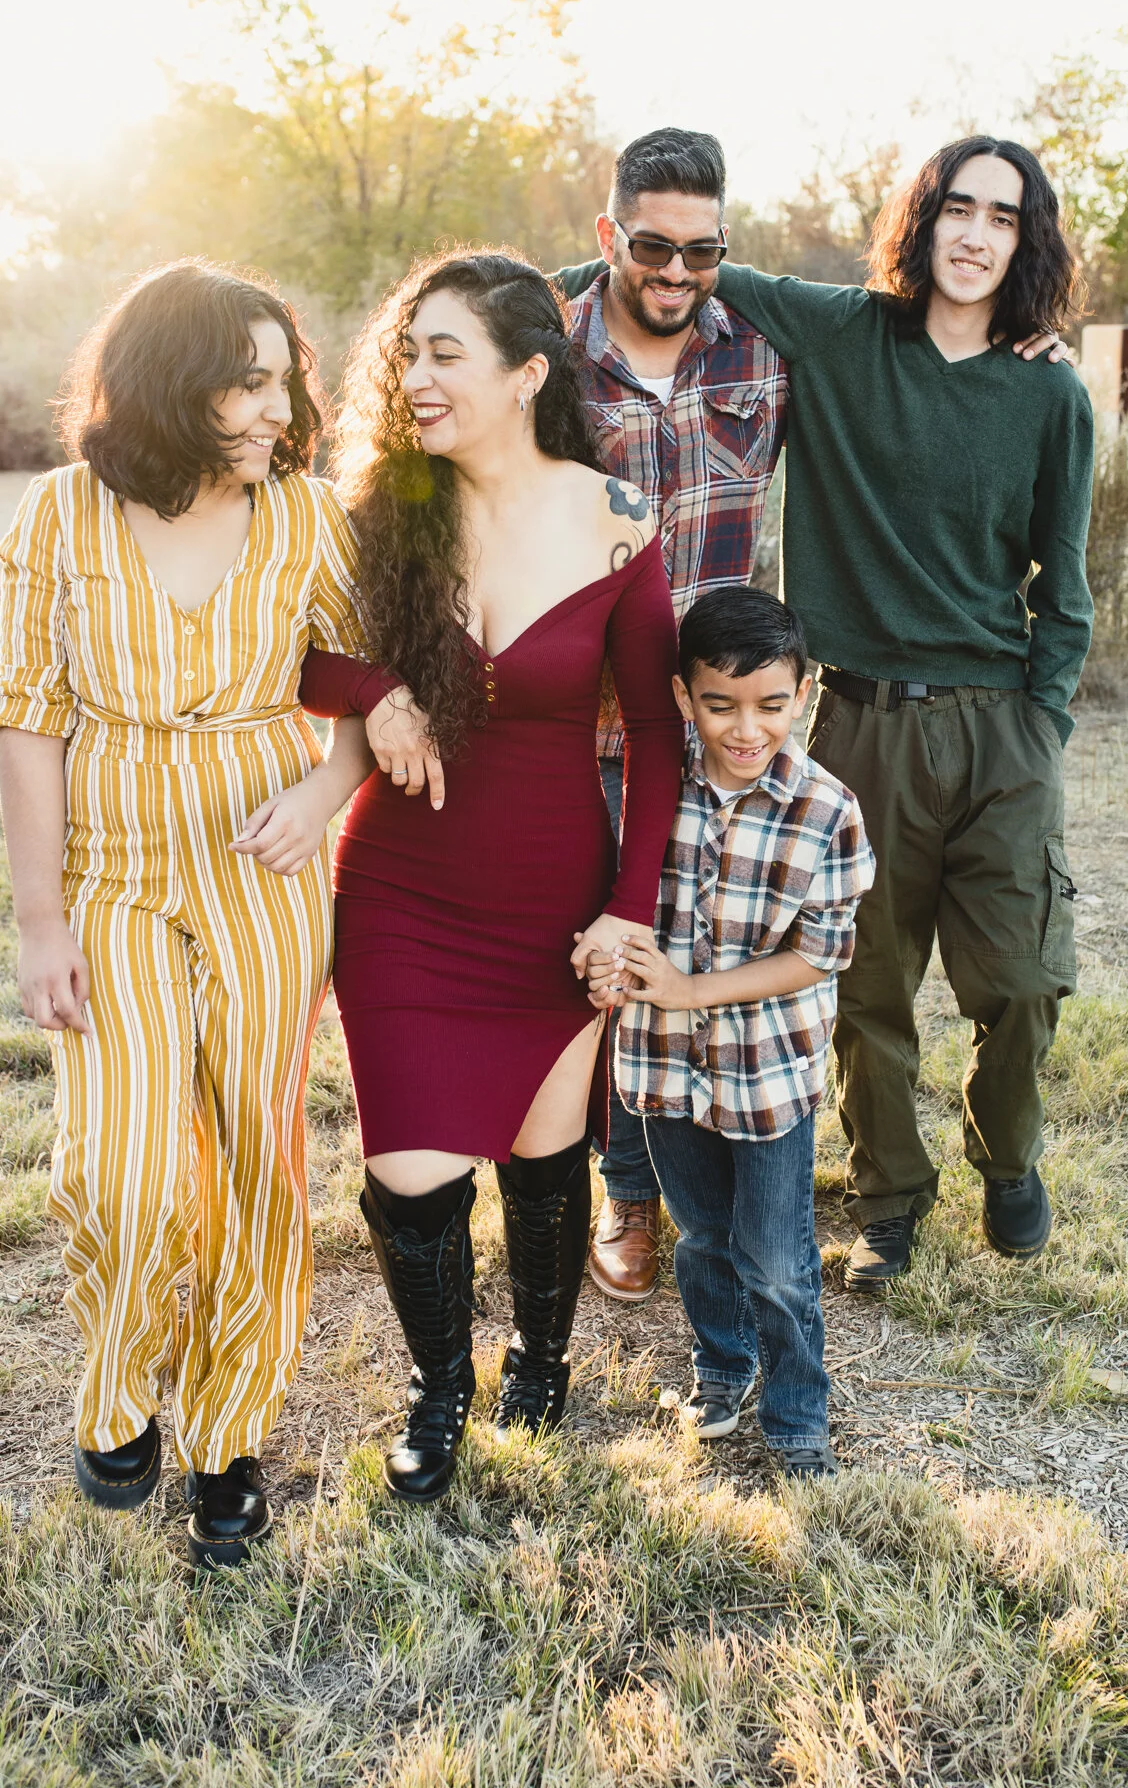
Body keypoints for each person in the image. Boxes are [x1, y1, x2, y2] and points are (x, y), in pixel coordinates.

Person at [263, 250, 684, 1504]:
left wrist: (630, 905)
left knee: (545, 1156)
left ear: (526, 373)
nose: (416, 376)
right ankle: (439, 1384)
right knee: (410, 1165)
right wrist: (377, 688)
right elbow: (287, 655)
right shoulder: (378, 513)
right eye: (407, 352)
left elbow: (656, 735)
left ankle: (541, 1362)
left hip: (556, 894)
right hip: (399, 887)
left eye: (445, 352)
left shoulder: (616, 521)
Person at [0, 260, 373, 1566]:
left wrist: (324, 791)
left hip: (260, 870)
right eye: (249, 380)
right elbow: (30, 722)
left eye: (287, 379)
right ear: (174, 382)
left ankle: (227, 1440)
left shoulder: (308, 518)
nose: (280, 406)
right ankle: (117, 1394)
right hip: (108, 867)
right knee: (124, 1167)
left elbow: (383, 691)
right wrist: (39, 923)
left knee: (257, 1162)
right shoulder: (55, 519)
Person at [702, 137, 1093, 1288]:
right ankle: (889, 1204)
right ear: (920, 223)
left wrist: (1042, 724)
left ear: (1026, 242)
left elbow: (1062, 584)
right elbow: (680, 272)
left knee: (1019, 981)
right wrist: (521, 302)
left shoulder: (1047, 391)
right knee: (865, 986)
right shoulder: (841, 333)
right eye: (956, 208)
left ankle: (1006, 1154)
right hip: (861, 721)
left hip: (997, 725)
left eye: (1003, 218)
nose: (975, 234)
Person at [548, 128, 787, 1305]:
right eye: (652, 244)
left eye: (703, 248)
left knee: (693, 960)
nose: (677, 270)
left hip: (712, 729)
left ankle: (703, 1195)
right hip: (568, 721)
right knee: (595, 961)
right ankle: (621, 1191)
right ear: (610, 237)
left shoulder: (762, 359)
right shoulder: (537, 343)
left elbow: (914, 344)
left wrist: (1016, 332)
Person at [590, 587, 873, 1478]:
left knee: (778, 1258)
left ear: (806, 694)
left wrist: (688, 989)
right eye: (719, 705)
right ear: (682, 697)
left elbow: (819, 956)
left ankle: (797, 1411)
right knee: (701, 1235)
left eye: (770, 705)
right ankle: (723, 1365)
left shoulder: (827, 810)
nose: (745, 727)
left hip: (768, 1078)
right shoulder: (647, 792)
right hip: (664, 1072)